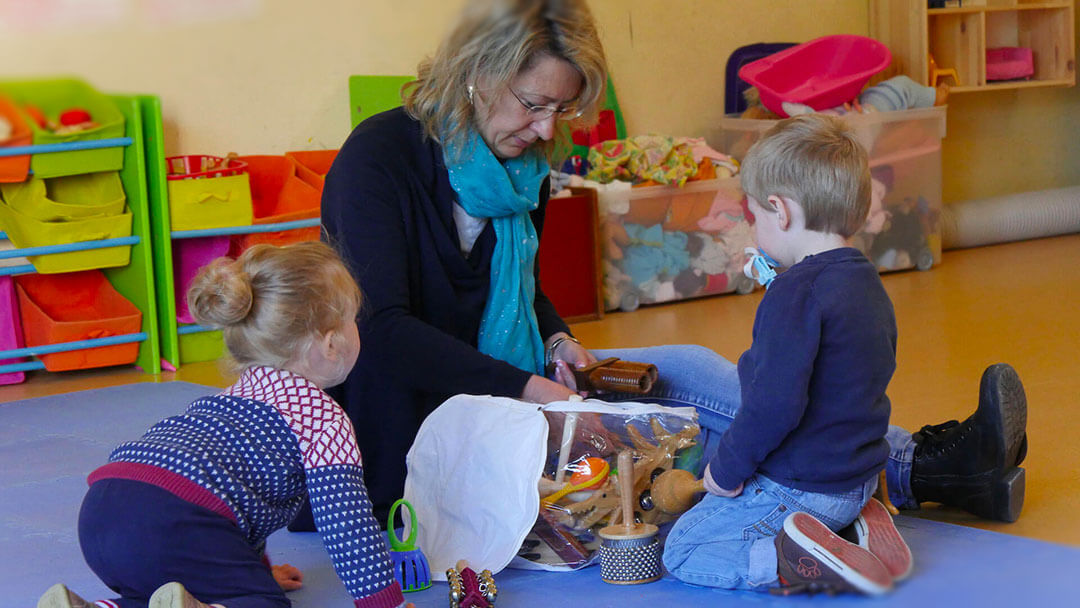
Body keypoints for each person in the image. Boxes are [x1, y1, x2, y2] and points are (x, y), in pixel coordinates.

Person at [320, 0, 1027, 532]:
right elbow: (382, 331)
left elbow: (520, 294)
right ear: (476, 73)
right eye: (533, 105)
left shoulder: (521, 169)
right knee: (688, 425)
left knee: (679, 370)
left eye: (560, 110)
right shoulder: (379, 159)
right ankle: (919, 469)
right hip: (414, 422)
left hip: (506, 378)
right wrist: (531, 386)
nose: (544, 130)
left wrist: (560, 341)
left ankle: (922, 467)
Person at [661, 114, 1027, 596]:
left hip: (802, 487)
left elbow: (771, 407)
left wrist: (725, 473)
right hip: (857, 480)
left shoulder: (794, 294)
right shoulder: (866, 281)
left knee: (684, 547)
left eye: (753, 217)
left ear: (780, 210)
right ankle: (854, 527)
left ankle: (797, 563)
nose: (754, 230)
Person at [37, 242, 407, 608]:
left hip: (103, 511)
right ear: (330, 344)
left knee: (161, 586)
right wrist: (384, 604)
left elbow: (233, 502)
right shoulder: (323, 419)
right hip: (175, 519)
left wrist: (251, 573)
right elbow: (348, 527)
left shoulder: (229, 398)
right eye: (353, 320)